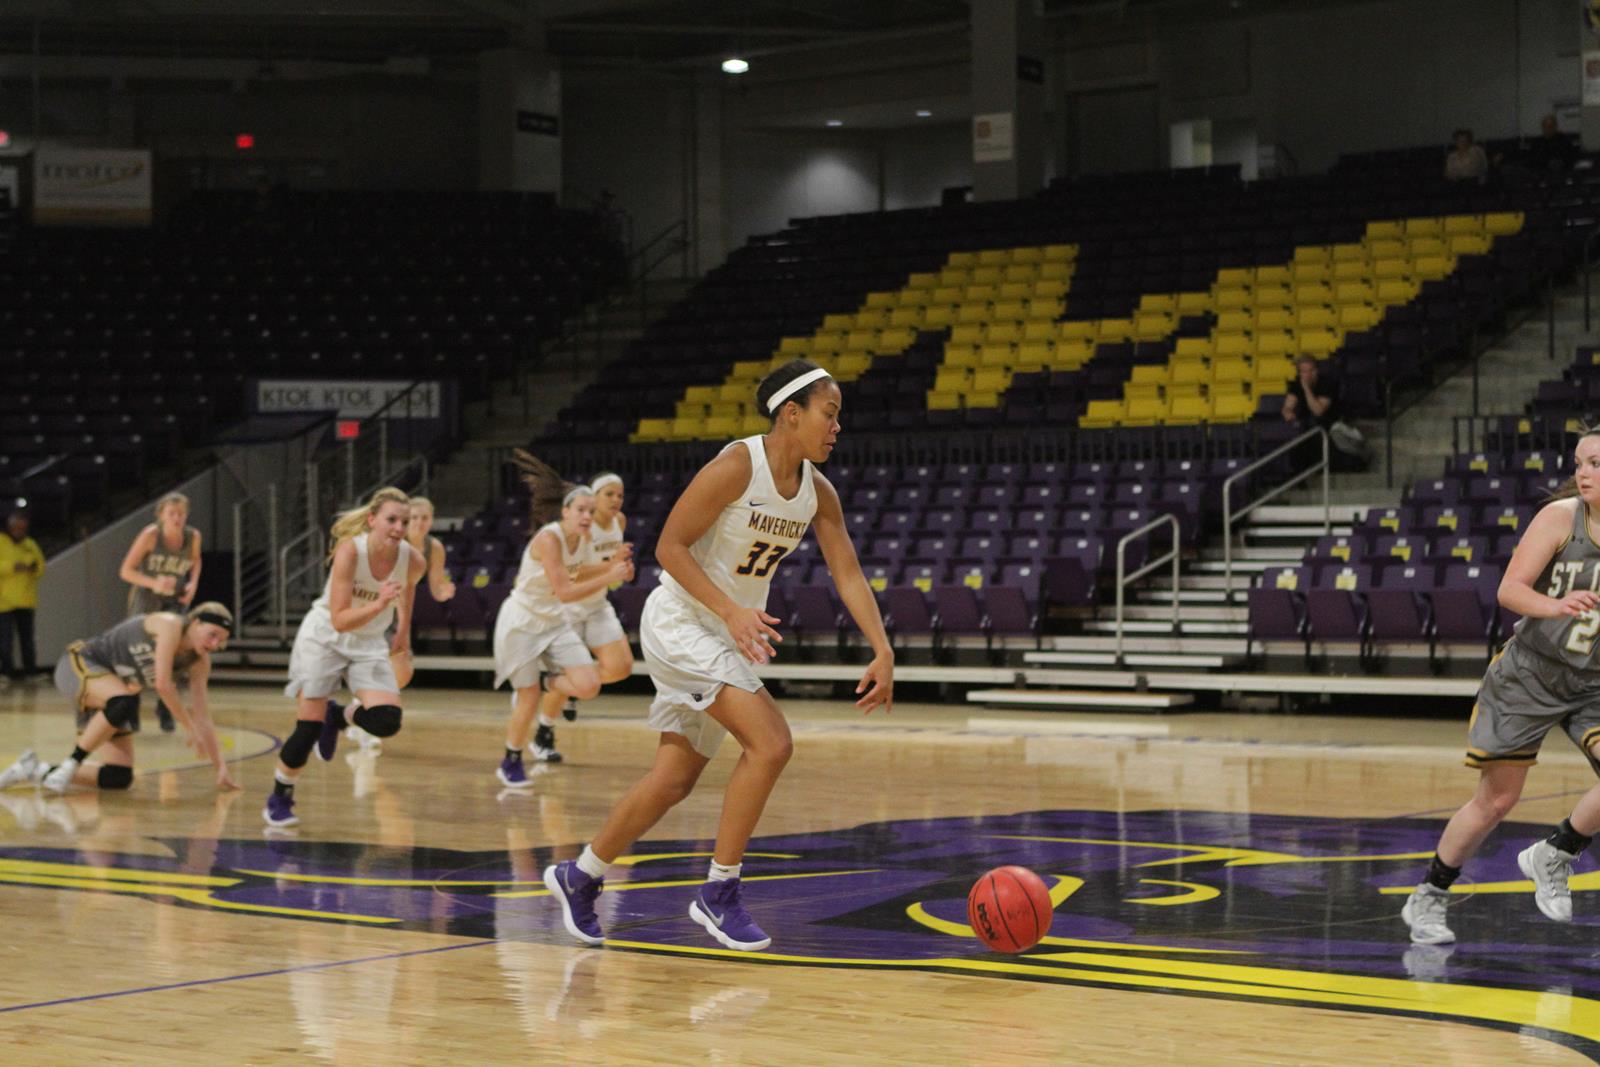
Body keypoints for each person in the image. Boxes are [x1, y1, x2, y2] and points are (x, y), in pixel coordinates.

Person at [543, 358, 894, 953]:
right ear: (791, 414)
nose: (837, 427)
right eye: (829, 414)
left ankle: (580, 877)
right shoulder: (738, 464)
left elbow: (849, 573)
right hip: (682, 621)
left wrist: (882, 648)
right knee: (772, 743)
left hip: (723, 635)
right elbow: (669, 547)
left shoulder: (818, 491)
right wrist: (731, 611)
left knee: (672, 779)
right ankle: (719, 892)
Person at [1401, 428, 1600, 945]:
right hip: (1530, 674)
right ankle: (1430, 893)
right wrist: (1555, 605)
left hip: (1593, 684)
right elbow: (1509, 589)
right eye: (1579, 462)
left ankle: (1556, 852)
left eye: (1596, 463)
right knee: (1496, 801)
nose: (1583, 473)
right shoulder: (1561, 518)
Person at [264, 487, 425, 829]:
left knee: (386, 721)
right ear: (372, 520)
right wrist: (380, 605)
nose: (399, 527)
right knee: (307, 727)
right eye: (391, 520)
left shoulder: (412, 559)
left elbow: (408, 588)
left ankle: (337, 716)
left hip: (368, 640)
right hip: (326, 636)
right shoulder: (351, 551)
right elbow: (339, 618)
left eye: (405, 522)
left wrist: (403, 631)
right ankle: (280, 794)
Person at [0, 602, 237, 794]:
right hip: (81, 663)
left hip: (112, 693)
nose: (215, 644)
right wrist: (189, 727)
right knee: (126, 701)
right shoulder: (170, 625)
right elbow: (163, 686)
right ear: (196, 623)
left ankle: (33, 769)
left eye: (221, 641)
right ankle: (71, 763)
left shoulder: (199, 662)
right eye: (212, 634)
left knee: (118, 777)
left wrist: (221, 767)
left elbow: (203, 716)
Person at [492, 476, 633, 788]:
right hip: (523, 622)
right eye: (580, 510)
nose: (587, 517)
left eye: (589, 511)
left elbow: (585, 571)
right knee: (528, 699)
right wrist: (611, 573)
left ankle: (547, 681)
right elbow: (567, 591)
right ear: (565, 512)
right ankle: (511, 759)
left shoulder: (583, 539)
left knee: (588, 685)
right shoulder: (549, 539)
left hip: (553, 620)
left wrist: (615, 565)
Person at [522, 462, 635, 760]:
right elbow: (575, 572)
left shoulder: (619, 522)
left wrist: (623, 567)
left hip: (597, 605)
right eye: (609, 494)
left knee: (621, 667)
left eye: (620, 495)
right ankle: (544, 732)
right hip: (569, 607)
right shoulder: (582, 527)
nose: (615, 500)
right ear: (593, 497)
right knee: (574, 675)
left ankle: (570, 687)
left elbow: (609, 563)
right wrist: (612, 569)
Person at [339, 494, 456, 753]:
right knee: (384, 670)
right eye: (414, 518)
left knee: (401, 674)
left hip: (398, 612)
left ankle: (359, 711)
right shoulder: (394, 542)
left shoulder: (433, 548)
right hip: (376, 609)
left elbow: (435, 587)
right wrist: (402, 631)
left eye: (425, 518)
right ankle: (363, 722)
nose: (419, 523)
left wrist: (444, 591)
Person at [118, 492, 203, 731]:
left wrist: (193, 583)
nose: (177, 518)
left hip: (174, 598)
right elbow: (125, 571)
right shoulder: (151, 535)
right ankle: (129, 711)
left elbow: (196, 561)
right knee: (137, 653)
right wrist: (153, 583)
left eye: (181, 514)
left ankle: (165, 708)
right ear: (161, 516)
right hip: (145, 599)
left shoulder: (193, 536)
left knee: (174, 653)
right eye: (172, 514)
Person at [0, 511, 45, 683]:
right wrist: (13, 567)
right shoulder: (1, 542)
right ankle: (6, 674)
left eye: (23, 528)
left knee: (27, 640)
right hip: (4, 601)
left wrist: (34, 568)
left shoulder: (30, 544)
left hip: (26, 599)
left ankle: (31, 673)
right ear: (9, 527)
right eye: (17, 527)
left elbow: (41, 565)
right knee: (5, 642)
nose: (20, 530)